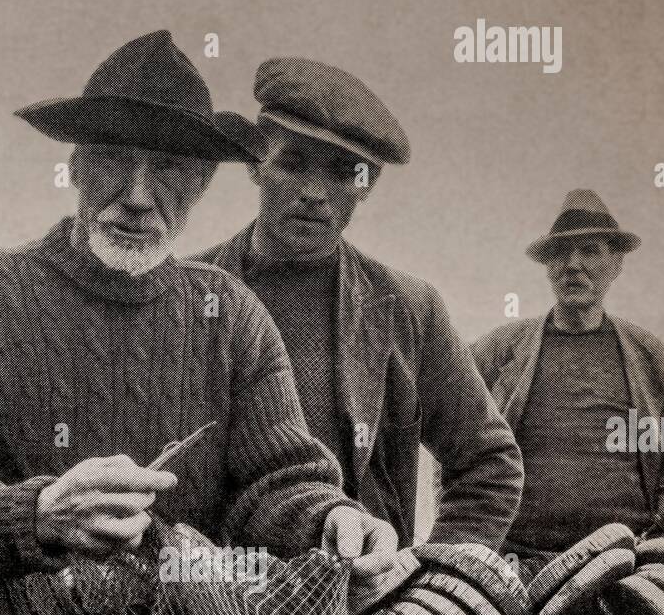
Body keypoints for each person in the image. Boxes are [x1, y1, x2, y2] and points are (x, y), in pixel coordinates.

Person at [0, 32, 397, 593]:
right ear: (76, 167)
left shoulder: (231, 317)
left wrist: (333, 518)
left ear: (201, 186)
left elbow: (278, 484)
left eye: (169, 169)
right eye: (113, 160)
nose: (137, 194)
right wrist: (37, 515)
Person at [196, 57, 523, 551]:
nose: (314, 193)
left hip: (360, 604)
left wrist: (434, 578)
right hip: (214, 608)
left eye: (343, 173)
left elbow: (488, 463)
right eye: (292, 163)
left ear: (366, 186)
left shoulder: (407, 309)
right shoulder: (188, 296)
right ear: (254, 163)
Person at [473, 190, 664, 555]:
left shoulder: (661, 364)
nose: (573, 265)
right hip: (513, 564)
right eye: (561, 253)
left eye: (590, 251)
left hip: (626, 568)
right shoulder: (494, 354)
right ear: (548, 267)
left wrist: (658, 559)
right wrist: (476, 546)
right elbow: (458, 453)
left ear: (616, 264)